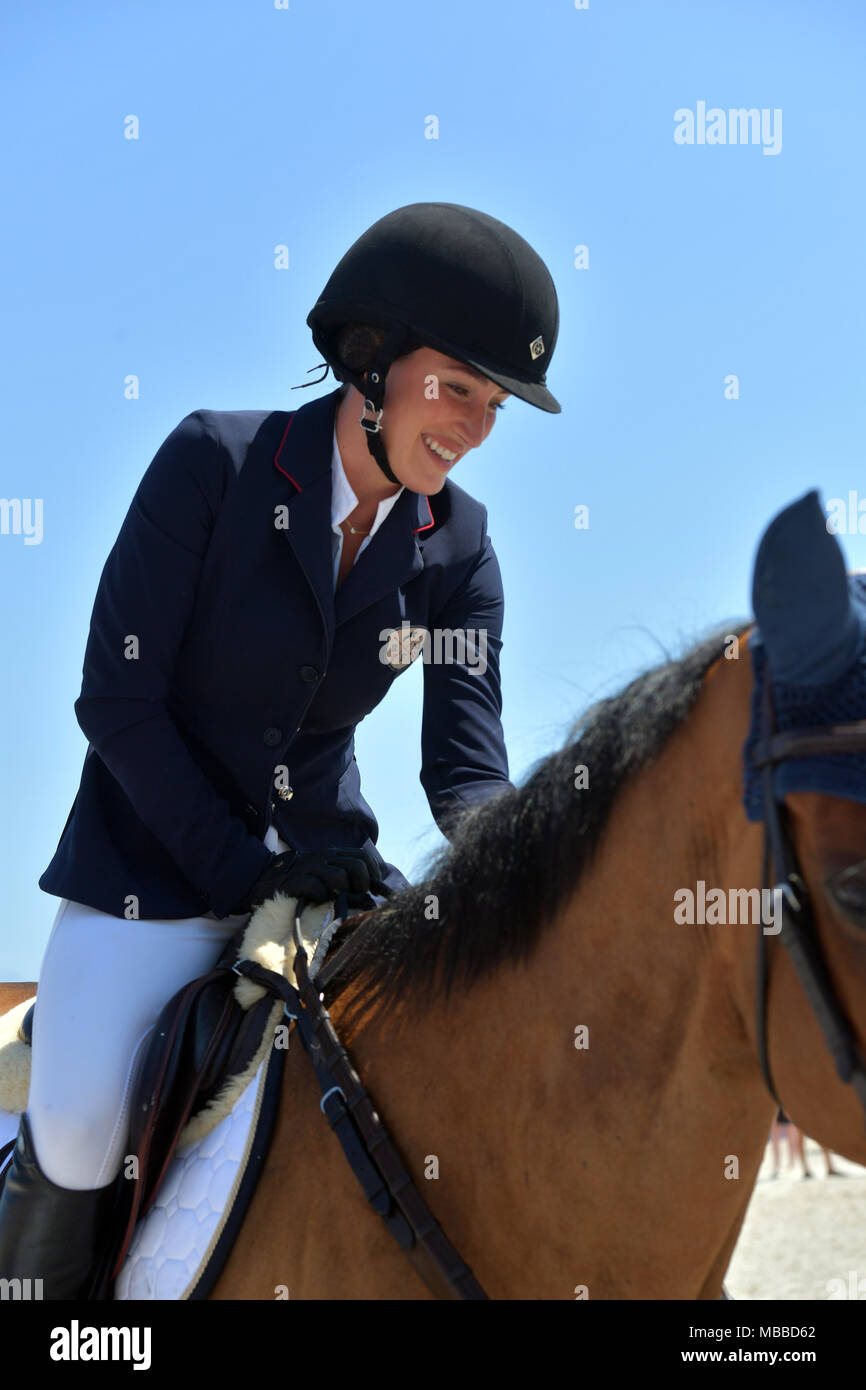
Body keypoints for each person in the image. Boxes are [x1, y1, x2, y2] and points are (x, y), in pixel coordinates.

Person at [0, 202, 562, 1297]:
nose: (472, 429)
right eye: (455, 387)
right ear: (369, 361)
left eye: (492, 406)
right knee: (75, 1125)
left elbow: (464, 774)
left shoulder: (459, 550)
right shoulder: (215, 462)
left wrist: (534, 869)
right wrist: (242, 871)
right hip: (149, 883)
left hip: (327, 874)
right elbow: (117, 701)